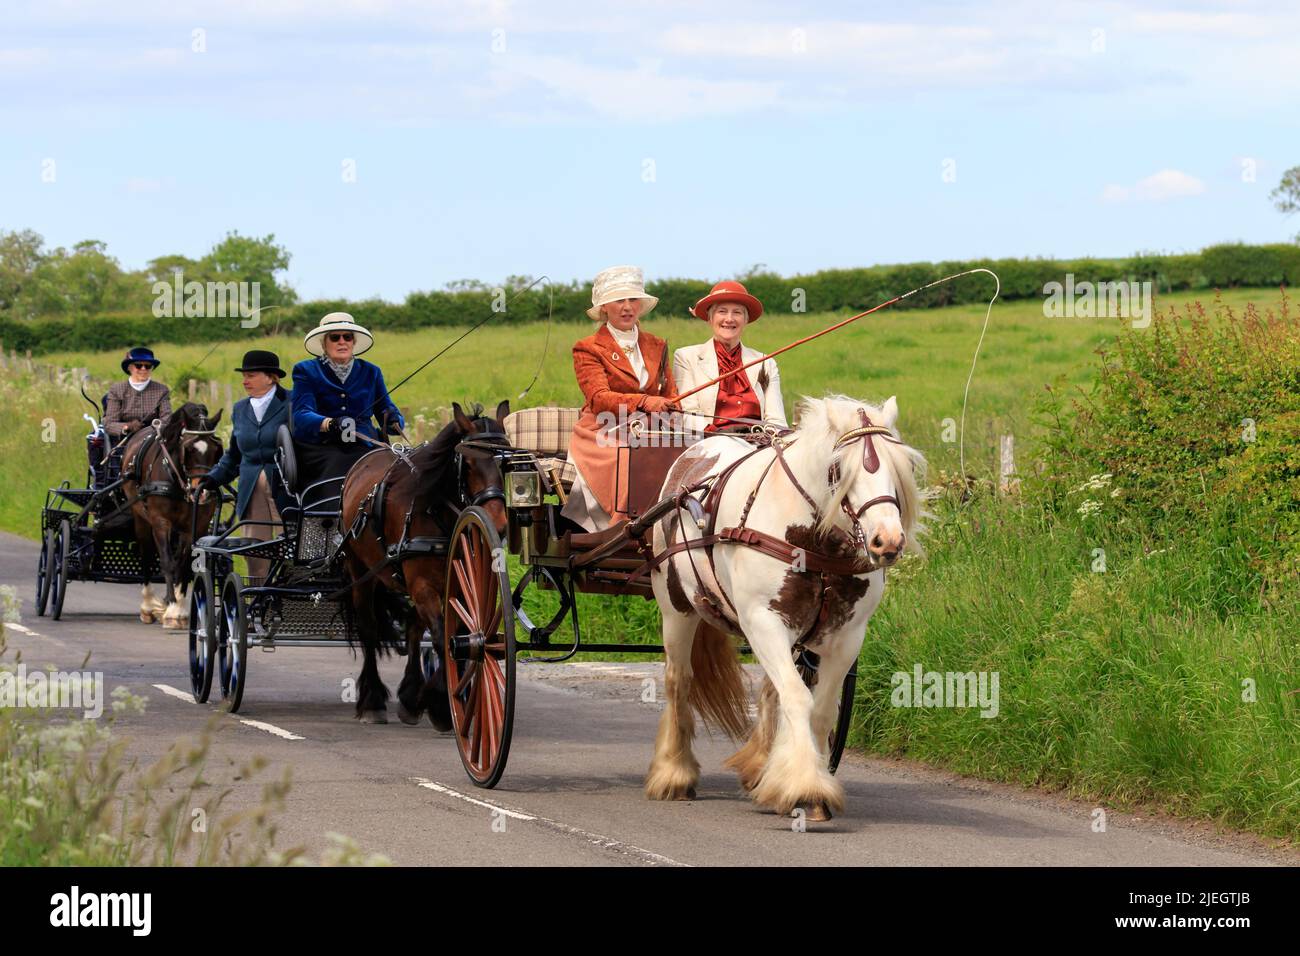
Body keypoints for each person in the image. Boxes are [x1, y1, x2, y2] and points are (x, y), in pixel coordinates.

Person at [562, 265, 679, 532]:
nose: (627, 307)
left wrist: (673, 409)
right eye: (619, 300)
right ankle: (624, 526)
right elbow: (599, 398)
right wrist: (644, 402)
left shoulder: (657, 345)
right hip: (603, 429)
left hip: (652, 428)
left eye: (633, 299)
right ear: (604, 308)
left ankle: (674, 525)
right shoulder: (587, 347)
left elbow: (670, 394)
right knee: (632, 458)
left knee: (686, 452)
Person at [197, 350, 292, 581]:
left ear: (270, 377)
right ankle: (258, 603)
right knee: (255, 552)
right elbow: (234, 454)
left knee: (290, 548)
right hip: (251, 490)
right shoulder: (240, 409)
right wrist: (213, 478)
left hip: (287, 488)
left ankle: (288, 602)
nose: (244, 380)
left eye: (251, 375)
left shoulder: (291, 402)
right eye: (244, 375)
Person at [291, 312, 404, 490]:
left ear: (353, 342)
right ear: (324, 343)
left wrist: (394, 420)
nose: (342, 342)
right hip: (323, 447)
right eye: (335, 337)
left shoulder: (371, 371)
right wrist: (330, 423)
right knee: (340, 468)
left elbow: (385, 407)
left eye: (347, 337)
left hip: (365, 444)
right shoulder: (306, 370)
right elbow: (301, 414)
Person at [672, 281, 787, 433]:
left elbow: (776, 420)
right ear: (710, 318)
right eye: (722, 311)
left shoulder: (766, 363)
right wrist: (718, 435)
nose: (729, 319)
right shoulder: (686, 357)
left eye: (737, 312)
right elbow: (688, 414)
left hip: (758, 446)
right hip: (710, 443)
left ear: (746, 320)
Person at [104, 346, 172, 439]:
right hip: (124, 438)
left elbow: (166, 419)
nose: (143, 369)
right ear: (129, 367)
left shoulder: (162, 390)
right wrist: (128, 426)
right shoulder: (116, 389)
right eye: (138, 365)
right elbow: (109, 424)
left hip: (153, 437)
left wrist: (153, 430)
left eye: (148, 366)